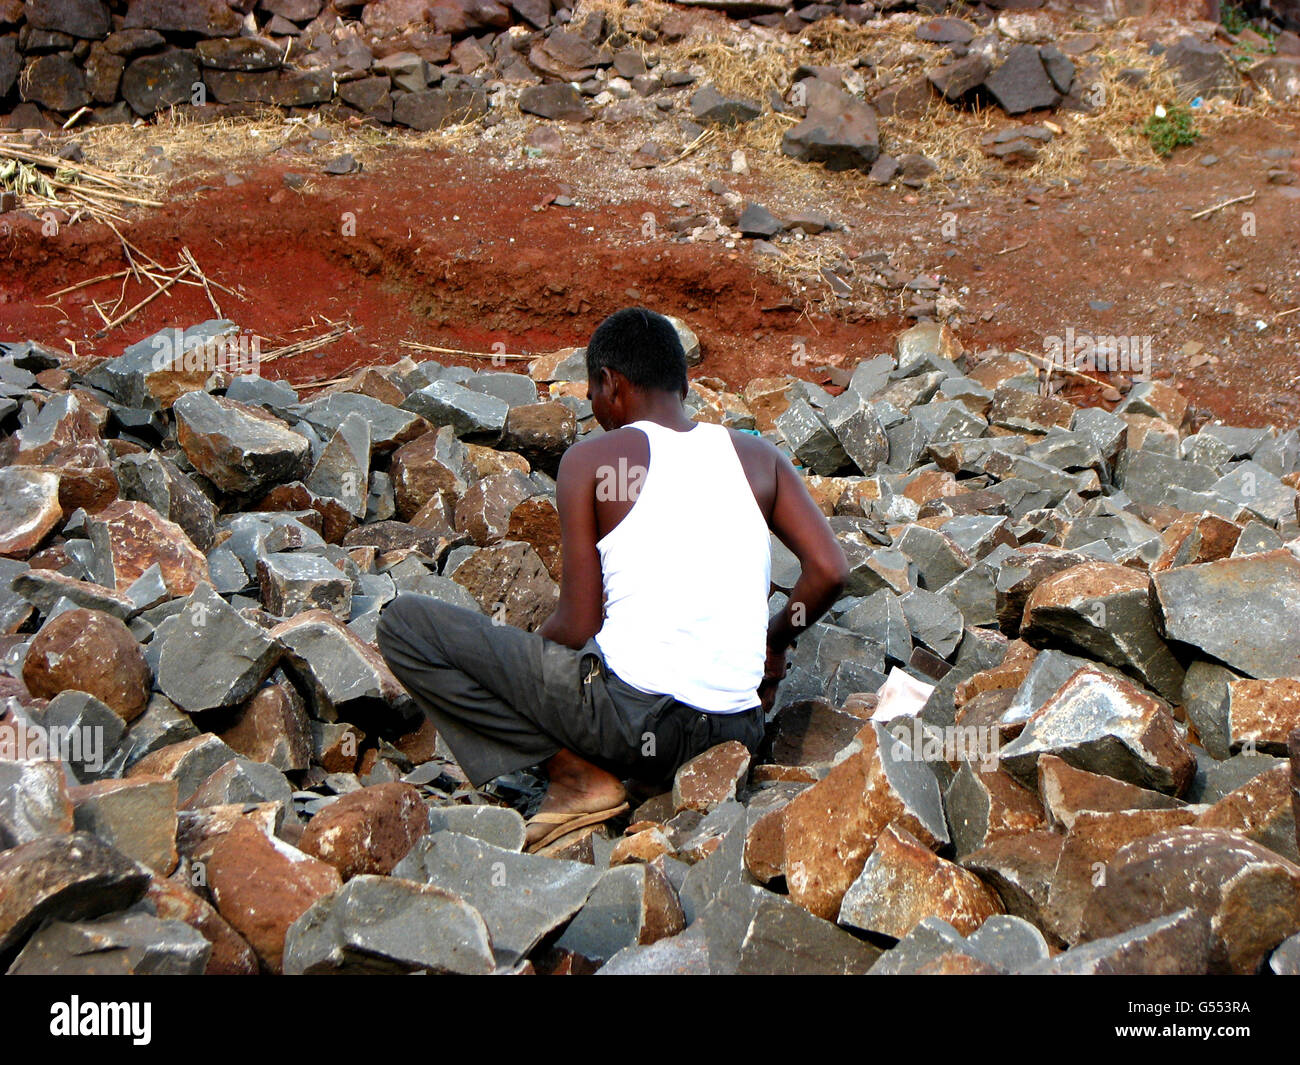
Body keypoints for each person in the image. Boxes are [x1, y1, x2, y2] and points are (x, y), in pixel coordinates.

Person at [377, 307, 848, 852]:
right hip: (735, 734)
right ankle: (646, 782)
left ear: (610, 383)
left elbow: (579, 624)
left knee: (405, 624)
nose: (595, 410)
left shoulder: (593, 460)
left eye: (592, 394)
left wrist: (511, 673)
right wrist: (774, 642)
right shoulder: (759, 456)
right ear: (683, 381)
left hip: (628, 723)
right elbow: (831, 570)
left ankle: (577, 777)